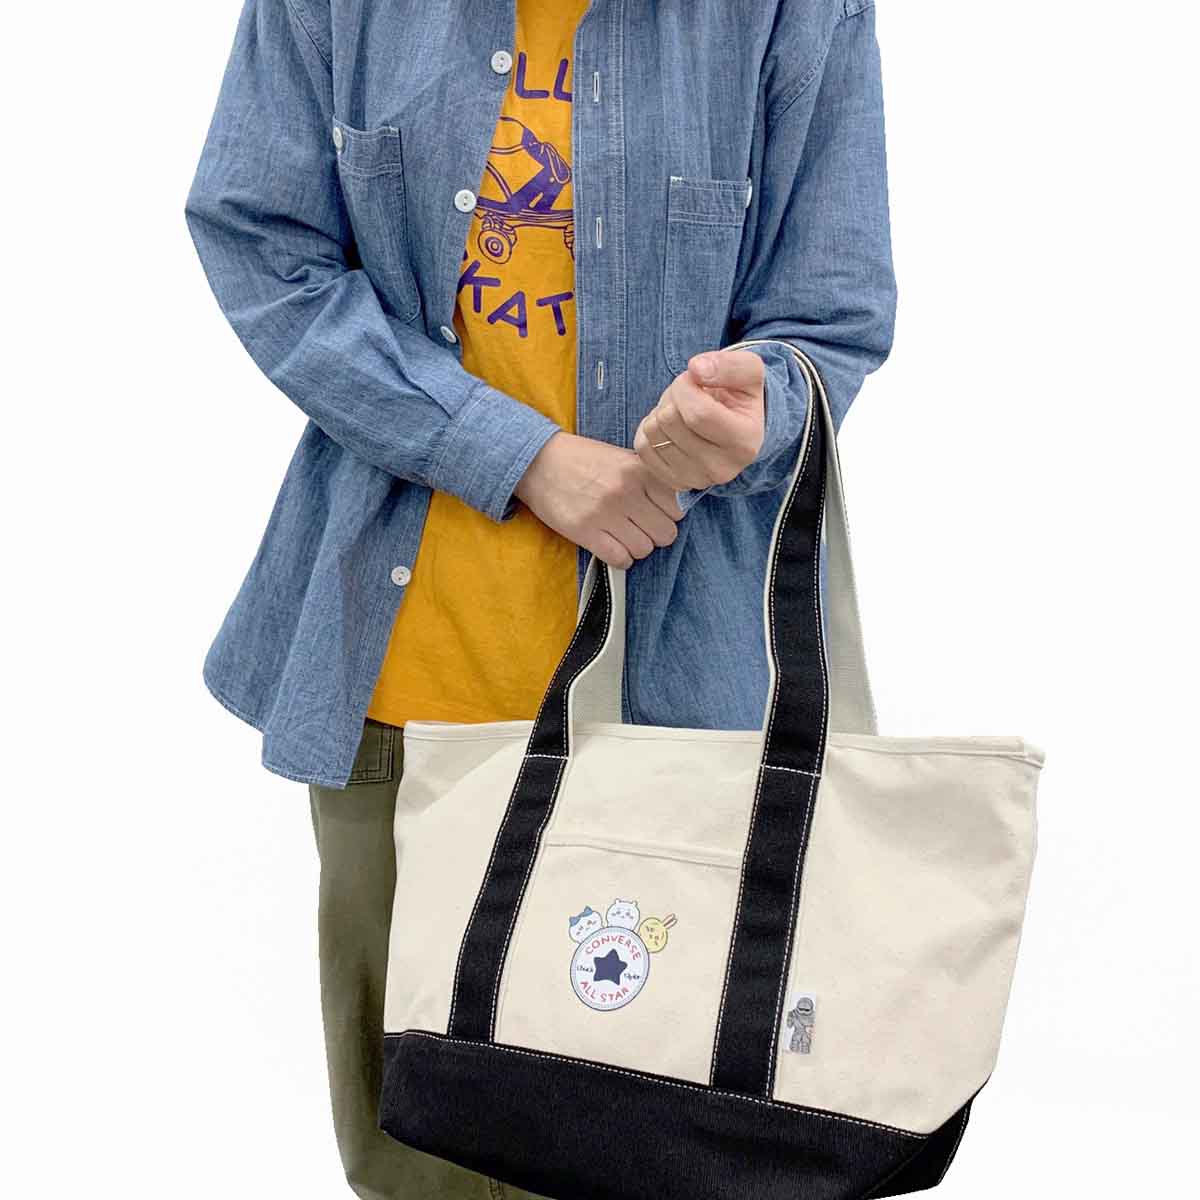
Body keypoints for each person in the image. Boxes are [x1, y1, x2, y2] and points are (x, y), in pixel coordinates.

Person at [184, 1, 895, 1196]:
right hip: (401, 686)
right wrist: (519, 456)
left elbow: (829, 315)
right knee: (416, 1166)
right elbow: (261, 241)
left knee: (657, 1152)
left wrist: (755, 411)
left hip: (679, 706)